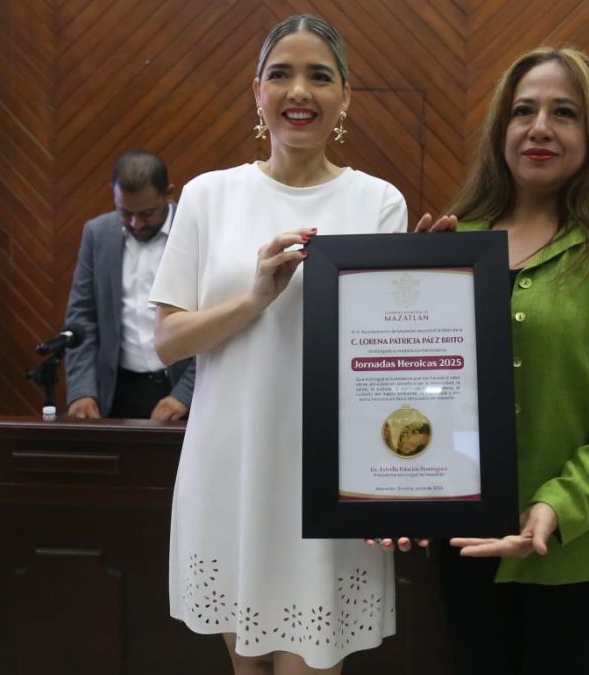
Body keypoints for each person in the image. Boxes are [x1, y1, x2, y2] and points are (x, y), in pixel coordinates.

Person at [149, 15, 408, 675]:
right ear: (256, 91)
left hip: (328, 474)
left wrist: (424, 288)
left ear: (345, 95)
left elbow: (387, 354)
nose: (300, 90)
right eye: (281, 74)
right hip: (230, 465)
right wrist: (254, 298)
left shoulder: (378, 201)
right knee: (248, 668)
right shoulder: (209, 195)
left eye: (319, 75)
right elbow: (168, 341)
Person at [417, 46, 589, 675]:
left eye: (563, 112)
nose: (539, 128)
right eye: (523, 111)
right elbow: (424, 386)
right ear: (500, 131)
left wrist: (560, 505)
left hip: (579, 546)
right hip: (467, 540)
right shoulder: (459, 240)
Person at [63, 150, 195, 421]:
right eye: (125, 213)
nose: (136, 223)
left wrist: (184, 393)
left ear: (168, 194)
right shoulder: (98, 234)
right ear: (113, 194)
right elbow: (81, 320)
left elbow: (217, 328)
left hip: (182, 390)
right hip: (116, 391)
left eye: (147, 213)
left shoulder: (196, 232)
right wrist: (82, 390)